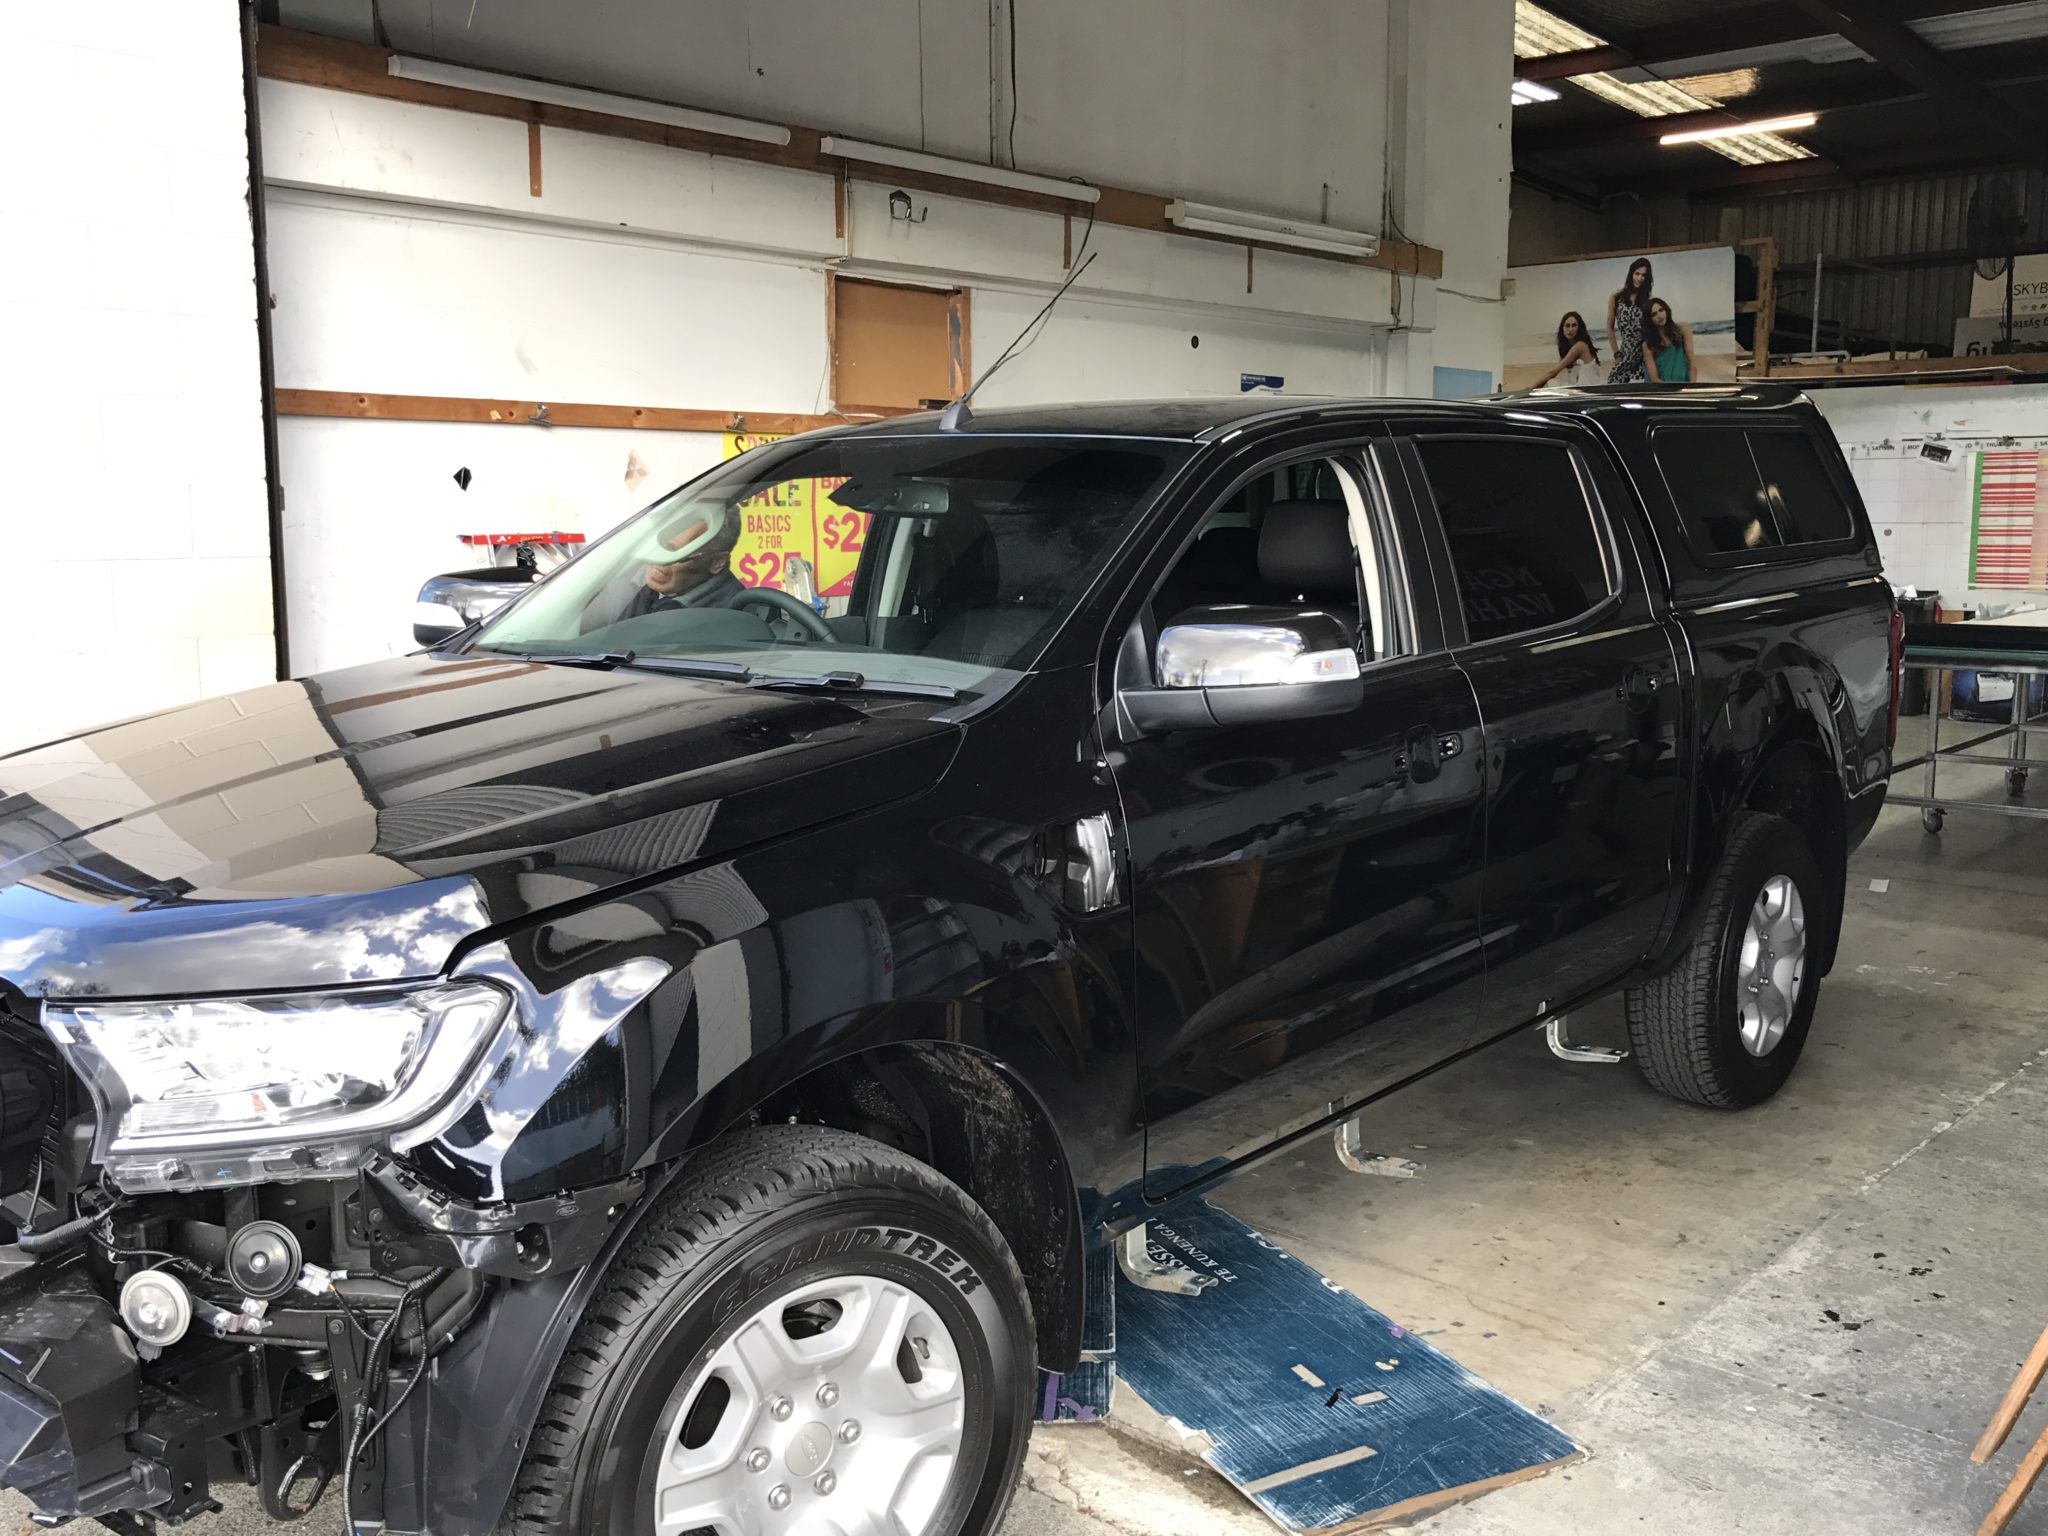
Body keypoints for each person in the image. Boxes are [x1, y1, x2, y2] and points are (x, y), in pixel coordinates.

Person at [617, 504, 746, 621]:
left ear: (717, 562)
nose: (658, 557)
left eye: (675, 552)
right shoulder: (625, 578)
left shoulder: (729, 616)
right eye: (658, 544)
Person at [1606, 257, 1654, 383]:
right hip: (1625, 349)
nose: (1639, 278)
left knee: (1638, 389)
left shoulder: (1647, 301)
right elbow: (1610, 327)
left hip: (1643, 350)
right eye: (1637, 273)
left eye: (1644, 275)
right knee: (1614, 380)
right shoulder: (1616, 297)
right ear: (1631, 273)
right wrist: (1616, 353)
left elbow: (1650, 329)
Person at [1535, 310, 1603, 386]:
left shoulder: (1580, 346)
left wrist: (1530, 389)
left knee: (1550, 383)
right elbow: (1556, 370)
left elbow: (1553, 372)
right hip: (1582, 386)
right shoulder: (1568, 348)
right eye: (1567, 326)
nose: (1570, 329)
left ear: (1579, 327)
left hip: (1590, 387)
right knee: (1552, 383)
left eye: (1574, 325)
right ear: (1562, 328)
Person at [1645, 297, 1695, 383]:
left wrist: (1691, 386)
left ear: (1666, 310)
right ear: (1649, 319)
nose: (1660, 316)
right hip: (1660, 387)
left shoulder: (1683, 329)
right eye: (1654, 314)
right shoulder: (1648, 344)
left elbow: (1691, 361)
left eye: (1661, 310)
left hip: (1682, 383)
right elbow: (1654, 379)